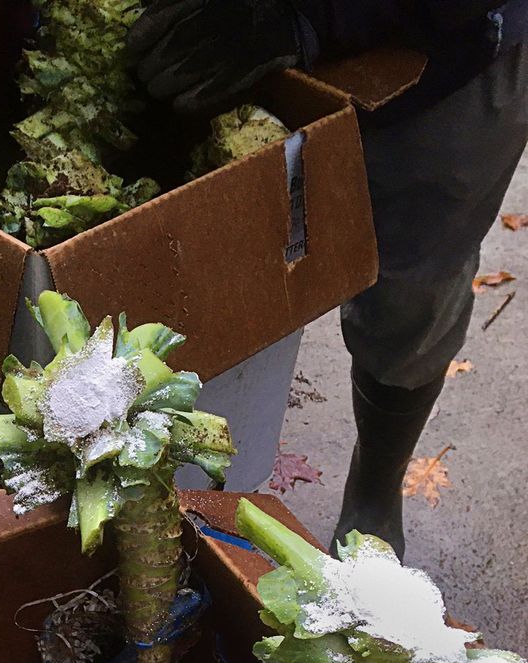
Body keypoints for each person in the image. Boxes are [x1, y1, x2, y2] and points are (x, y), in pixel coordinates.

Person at [128, 0, 528, 558]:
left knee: (412, 281)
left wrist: (323, 15)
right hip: (214, 25)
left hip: (442, 48)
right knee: (178, 233)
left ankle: (375, 487)